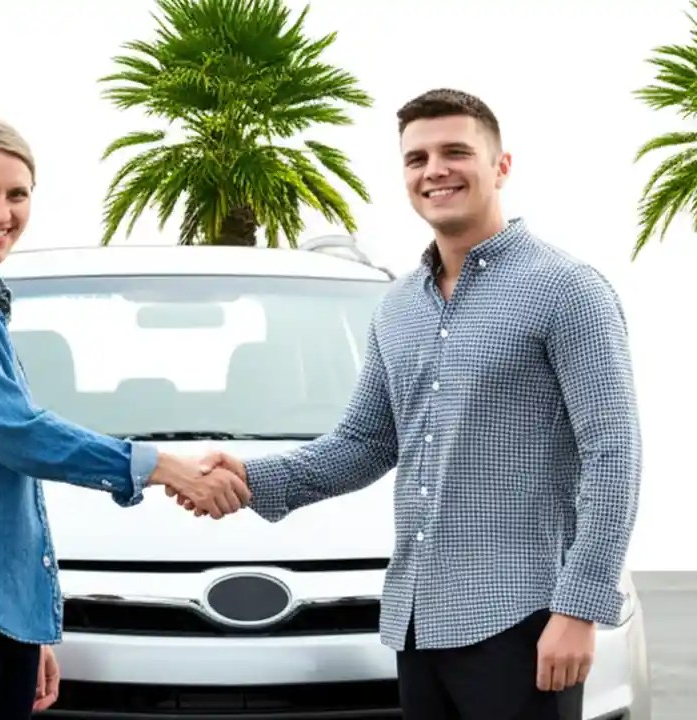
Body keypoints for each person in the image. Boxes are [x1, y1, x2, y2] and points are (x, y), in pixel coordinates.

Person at [178, 89, 642, 719]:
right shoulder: (398, 306)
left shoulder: (567, 290)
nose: (435, 171)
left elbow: (613, 454)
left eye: (456, 152)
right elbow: (363, 444)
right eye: (417, 158)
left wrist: (579, 607)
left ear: (501, 166)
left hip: (524, 618)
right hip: (418, 622)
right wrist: (248, 478)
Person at [0, 114, 250, 719]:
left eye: (17, 194)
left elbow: (3, 484)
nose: (1, 212)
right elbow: (17, 433)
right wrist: (163, 466)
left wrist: (29, 620)